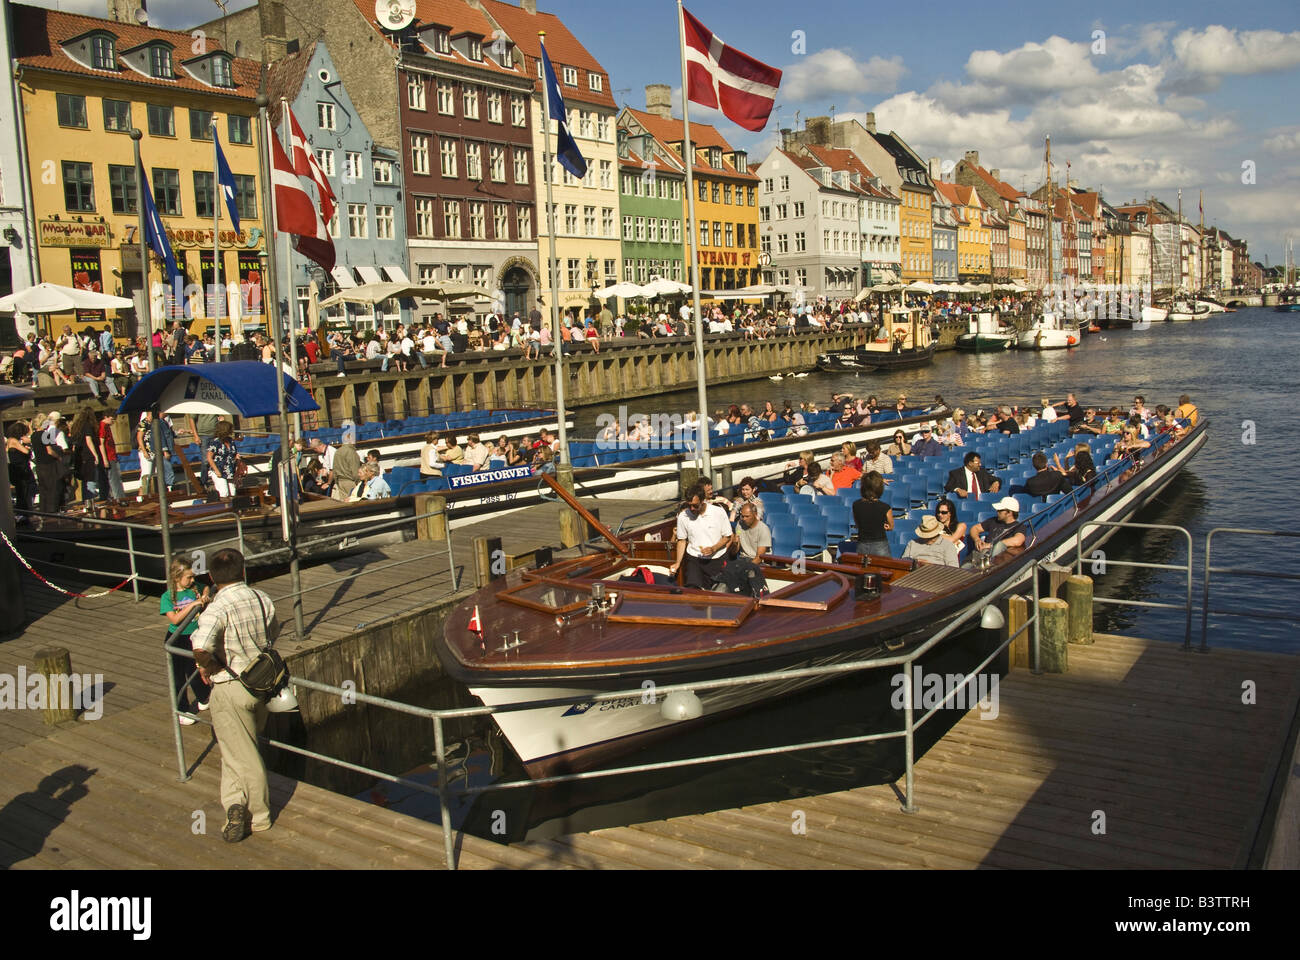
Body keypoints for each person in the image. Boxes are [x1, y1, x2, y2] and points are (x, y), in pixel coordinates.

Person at [189, 549, 278, 842]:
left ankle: (260, 816)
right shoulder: (262, 598)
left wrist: (208, 665)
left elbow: (200, 645)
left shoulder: (217, 607)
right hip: (263, 684)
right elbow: (272, 634)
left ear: (212, 577)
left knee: (245, 755)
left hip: (230, 685)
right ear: (243, 571)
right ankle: (235, 804)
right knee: (234, 749)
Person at [161, 556, 211, 725]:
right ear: (177, 578)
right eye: (189, 577)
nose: (192, 580)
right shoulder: (167, 597)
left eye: (193, 576)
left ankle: (204, 697)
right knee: (178, 676)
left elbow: (206, 588)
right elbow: (174, 620)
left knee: (195, 669)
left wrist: (204, 596)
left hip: (194, 635)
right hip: (177, 638)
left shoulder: (194, 587)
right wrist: (192, 605)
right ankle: (181, 710)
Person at [669, 482, 733, 589]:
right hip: (694, 559)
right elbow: (682, 541)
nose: (692, 509)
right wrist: (677, 563)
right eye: (690, 505)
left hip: (716, 559)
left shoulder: (718, 512)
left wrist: (713, 548)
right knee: (693, 590)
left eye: (695, 505)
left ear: (703, 501)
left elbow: (727, 536)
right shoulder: (683, 516)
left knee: (715, 594)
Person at [850, 471, 892, 557]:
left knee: (864, 569)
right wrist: (886, 526)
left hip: (862, 544)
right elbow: (891, 526)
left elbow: (857, 523)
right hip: (880, 545)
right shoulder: (885, 507)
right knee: (884, 569)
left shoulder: (856, 505)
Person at [6, 422, 37, 520]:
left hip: (17, 469)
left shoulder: (11, 440)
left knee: (22, 490)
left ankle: (24, 511)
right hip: (20, 470)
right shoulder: (13, 441)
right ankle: (24, 511)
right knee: (24, 491)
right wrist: (28, 445)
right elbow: (26, 452)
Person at [206, 421, 243, 498]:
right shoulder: (215, 442)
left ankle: (232, 508)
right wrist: (216, 471)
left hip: (230, 470)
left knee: (233, 492)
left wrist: (236, 457)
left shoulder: (231, 441)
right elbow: (209, 457)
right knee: (223, 492)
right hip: (219, 470)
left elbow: (233, 453)